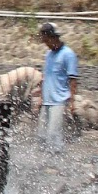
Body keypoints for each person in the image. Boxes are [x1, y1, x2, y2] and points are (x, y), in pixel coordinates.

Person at [37, 21, 80, 152]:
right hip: (47, 101)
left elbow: (73, 79)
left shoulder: (68, 54)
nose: (46, 44)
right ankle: (43, 164)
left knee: (53, 135)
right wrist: (41, 97)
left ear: (54, 37)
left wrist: (72, 102)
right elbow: (46, 77)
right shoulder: (49, 55)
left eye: (47, 41)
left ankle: (57, 162)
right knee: (41, 135)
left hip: (59, 101)